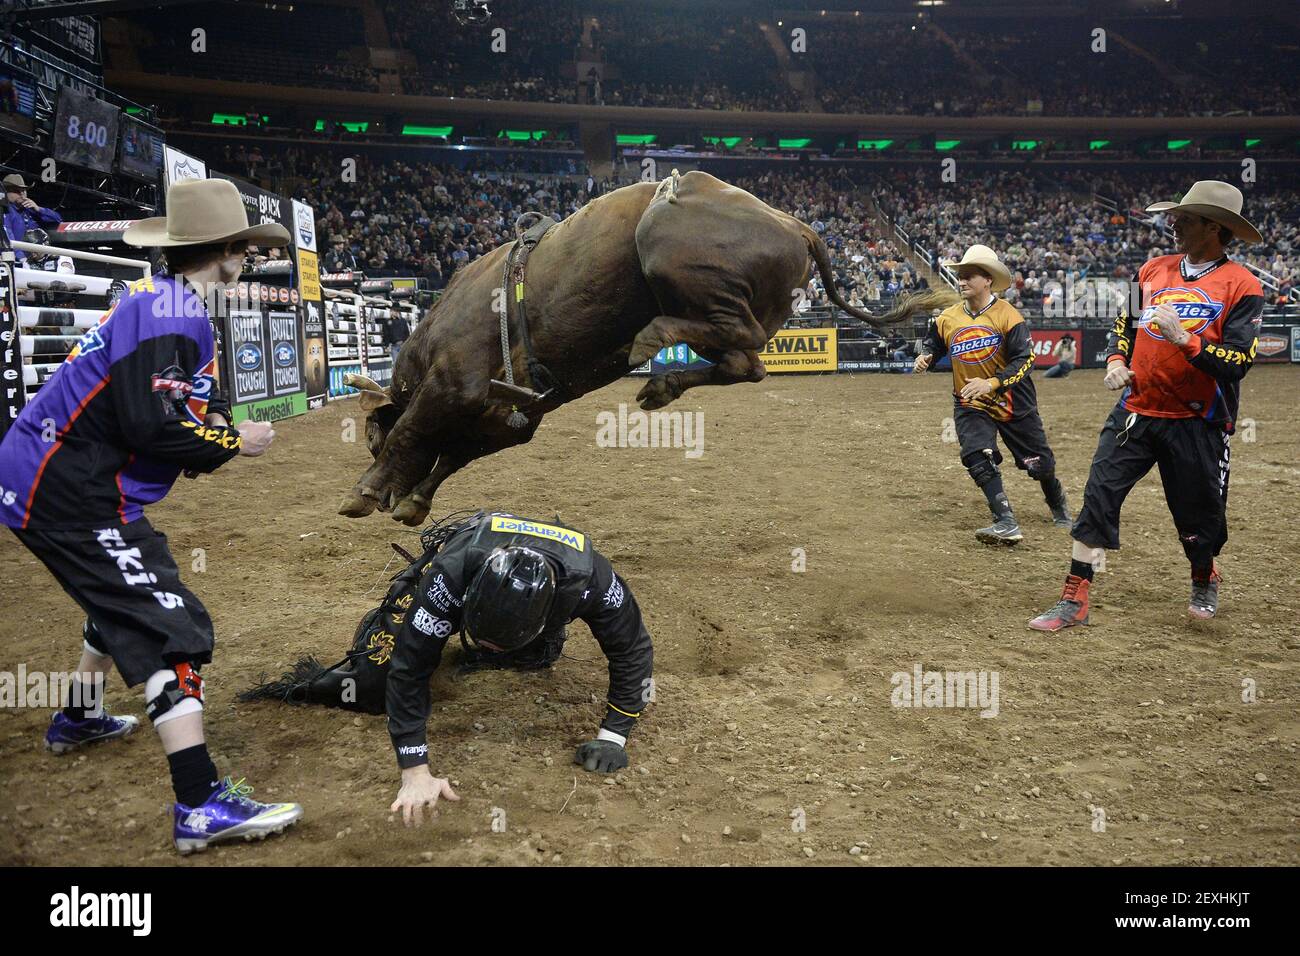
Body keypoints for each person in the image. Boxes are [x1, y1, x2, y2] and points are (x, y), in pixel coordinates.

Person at [0, 178, 304, 854]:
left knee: (123, 585)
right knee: (173, 623)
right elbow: (149, 425)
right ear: (228, 250)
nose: (251, 259)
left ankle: (79, 714)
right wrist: (234, 442)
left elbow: (190, 388)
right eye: (248, 249)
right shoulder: (172, 312)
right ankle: (198, 803)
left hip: (52, 476)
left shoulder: (163, 301)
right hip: (69, 489)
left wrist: (218, 413)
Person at [245, 510, 655, 827]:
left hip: (545, 592)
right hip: (467, 557)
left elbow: (632, 649)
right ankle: (350, 660)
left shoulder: (592, 582)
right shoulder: (450, 575)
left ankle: (527, 645)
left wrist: (613, 737)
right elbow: (409, 667)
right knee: (373, 685)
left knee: (533, 660)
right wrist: (414, 770)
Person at [1029, 182, 1265, 630]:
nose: (1172, 223)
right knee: (1098, 495)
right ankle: (1073, 596)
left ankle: (1203, 574)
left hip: (1198, 421)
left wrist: (1184, 339)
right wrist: (1117, 359)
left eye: (1185, 218)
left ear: (1214, 227)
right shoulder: (1152, 270)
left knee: (1197, 517)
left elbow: (1238, 362)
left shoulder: (1243, 286)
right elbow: (1126, 323)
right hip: (1136, 410)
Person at [913, 244, 1070, 545]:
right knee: (975, 455)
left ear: (987, 280)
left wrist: (992, 383)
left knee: (1040, 465)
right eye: (960, 276)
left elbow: (1024, 360)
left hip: (1014, 402)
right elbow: (932, 343)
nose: (961, 281)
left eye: (969, 276)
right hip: (970, 400)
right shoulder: (947, 318)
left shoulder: (1008, 316)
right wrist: (927, 357)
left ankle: (1057, 501)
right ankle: (1005, 520)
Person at [3, 173, 63, 261]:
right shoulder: (5, 211)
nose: (22, 194)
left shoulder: (30, 208)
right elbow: (8, 238)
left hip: (38, 257)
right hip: (20, 260)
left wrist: (39, 209)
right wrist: (22, 259)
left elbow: (58, 219)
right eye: (16, 191)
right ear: (5, 192)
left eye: (24, 190)